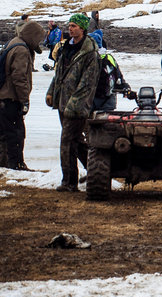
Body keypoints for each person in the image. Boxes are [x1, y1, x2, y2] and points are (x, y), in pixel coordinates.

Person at [44, 13, 100, 192]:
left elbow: (88, 83)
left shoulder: (90, 53)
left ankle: (69, 182)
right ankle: (96, 171)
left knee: (67, 141)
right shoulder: (66, 48)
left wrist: (74, 104)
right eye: (70, 25)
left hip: (77, 107)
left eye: (74, 25)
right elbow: (58, 74)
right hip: (63, 102)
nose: (70, 28)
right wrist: (51, 92)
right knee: (76, 140)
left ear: (82, 28)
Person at [0, 20, 43, 170]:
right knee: (16, 133)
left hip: (3, 97)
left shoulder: (13, 42)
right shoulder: (22, 50)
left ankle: (5, 165)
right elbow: (19, 77)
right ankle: (16, 165)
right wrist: (24, 101)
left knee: (5, 133)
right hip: (11, 98)